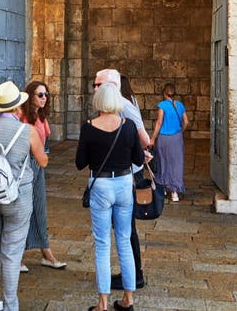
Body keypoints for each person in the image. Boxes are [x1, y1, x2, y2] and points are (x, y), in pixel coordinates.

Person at [0, 80, 48, 311]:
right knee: (11, 252)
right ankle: (10, 305)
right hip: (18, 196)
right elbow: (42, 161)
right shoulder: (26, 131)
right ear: (17, 108)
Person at [76, 82, 145, 311]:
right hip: (124, 184)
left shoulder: (88, 127)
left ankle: (103, 303)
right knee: (124, 241)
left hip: (101, 184)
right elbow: (137, 160)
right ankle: (128, 299)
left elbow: (80, 163)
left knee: (103, 243)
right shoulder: (129, 126)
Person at [94, 69, 151, 291]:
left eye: (99, 85)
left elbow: (144, 139)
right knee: (123, 227)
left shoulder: (124, 106)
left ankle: (135, 275)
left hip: (128, 174)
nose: (96, 89)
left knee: (127, 229)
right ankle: (132, 274)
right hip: (121, 173)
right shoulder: (115, 106)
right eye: (95, 85)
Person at [19, 80, 66, 270]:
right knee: (23, 210)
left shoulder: (41, 116)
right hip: (26, 164)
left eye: (46, 94)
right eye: (40, 95)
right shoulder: (22, 117)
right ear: (30, 96)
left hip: (38, 165)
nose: (44, 98)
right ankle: (18, 254)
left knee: (39, 208)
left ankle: (46, 252)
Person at [150, 82, 188, 202]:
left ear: (164, 94)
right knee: (176, 163)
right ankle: (175, 193)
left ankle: (164, 187)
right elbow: (186, 122)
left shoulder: (162, 105)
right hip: (176, 138)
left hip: (164, 138)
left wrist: (152, 138)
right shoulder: (180, 105)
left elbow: (159, 123)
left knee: (163, 161)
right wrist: (180, 131)